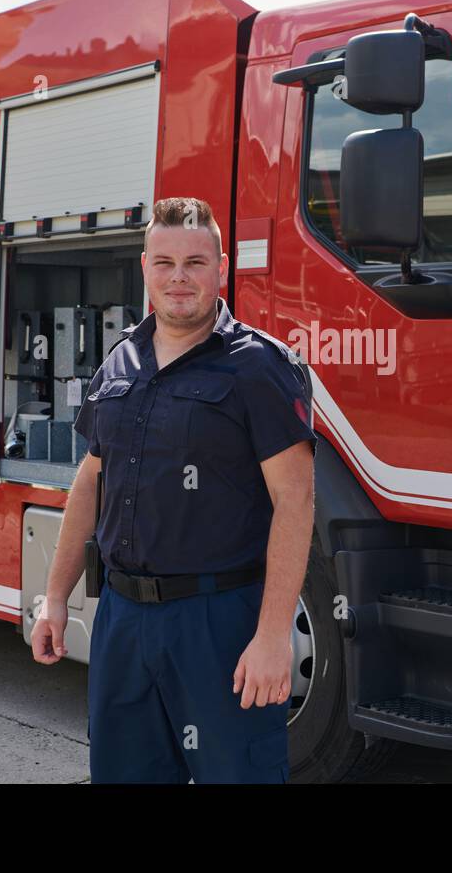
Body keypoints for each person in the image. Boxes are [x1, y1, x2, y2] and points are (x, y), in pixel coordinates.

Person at [29, 196, 317, 783]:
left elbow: (296, 499)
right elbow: (90, 481)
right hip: (123, 619)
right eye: (164, 263)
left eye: (194, 262)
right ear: (144, 268)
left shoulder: (259, 367)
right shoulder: (120, 362)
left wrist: (271, 637)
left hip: (218, 624)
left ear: (222, 268)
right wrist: (56, 597)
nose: (179, 277)